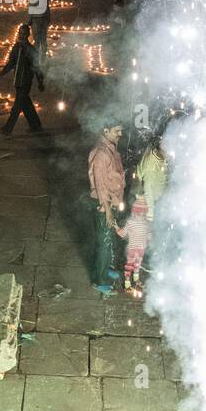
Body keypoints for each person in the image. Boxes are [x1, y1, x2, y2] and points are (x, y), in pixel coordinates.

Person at [88, 121, 125, 294]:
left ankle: (106, 268)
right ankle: (99, 280)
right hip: (104, 206)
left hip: (113, 202)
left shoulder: (110, 148)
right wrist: (108, 211)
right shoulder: (101, 154)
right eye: (117, 131)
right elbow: (101, 185)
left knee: (109, 239)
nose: (120, 134)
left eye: (121, 130)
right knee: (104, 244)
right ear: (106, 131)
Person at [0, 23, 44, 136]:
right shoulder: (16, 47)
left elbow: (37, 67)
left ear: (28, 35)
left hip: (25, 81)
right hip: (18, 80)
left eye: (24, 34)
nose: (21, 35)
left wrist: (40, 81)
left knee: (17, 106)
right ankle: (36, 125)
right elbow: (12, 62)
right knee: (26, 104)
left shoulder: (31, 50)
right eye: (20, 33)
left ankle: (7, 129)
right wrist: (3, 72)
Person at [115, 191, 150, 295]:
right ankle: (134, 282)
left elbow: (123, 234)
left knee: (130, 265)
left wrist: (116, 227)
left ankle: (128, 284)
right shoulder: (146, 223)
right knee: (137, 265)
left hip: (132, 249)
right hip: (141, 248)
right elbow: (149, 237)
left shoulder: (130, 222)